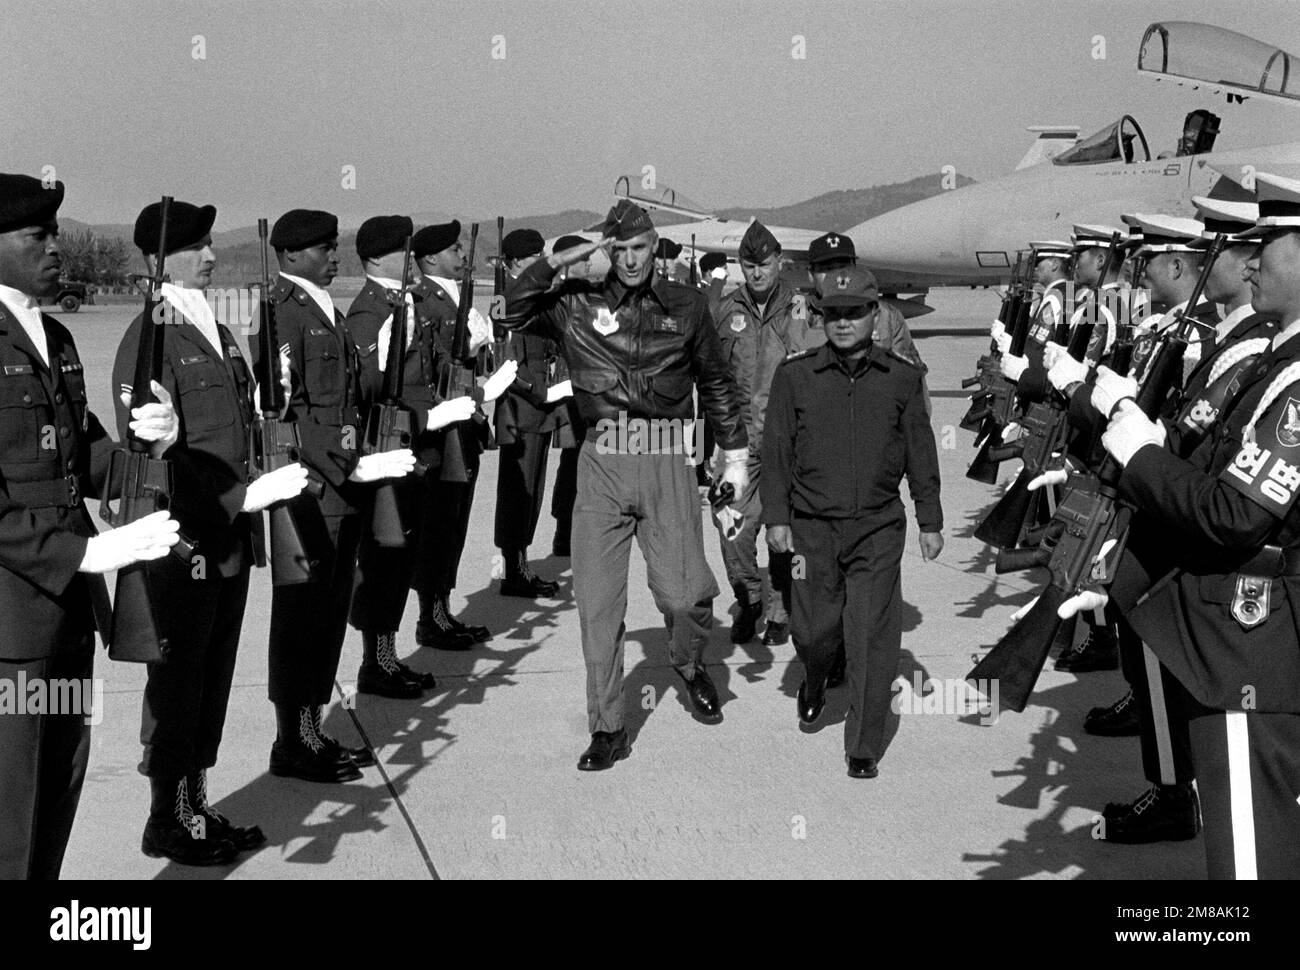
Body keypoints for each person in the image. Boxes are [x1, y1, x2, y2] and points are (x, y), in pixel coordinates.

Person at [1085, 171, 1300, 877]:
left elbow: (1236, 510)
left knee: (1249, 860)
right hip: (1246, 635)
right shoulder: (1279, 358)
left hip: (1253, 644)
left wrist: (1142, 452)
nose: (1253, 258)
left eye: (1269, 241)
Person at [504, 200, 748, 771]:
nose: (632, 260)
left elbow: (713, 381)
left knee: (687, 598)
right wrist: (558, 259)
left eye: (640, 248)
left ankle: (688, 661)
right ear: (605, 253)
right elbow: (512, 311)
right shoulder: (573, 305)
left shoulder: (686, 305)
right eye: (620, 250)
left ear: (654, 247)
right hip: (602, 462)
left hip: (666, 459)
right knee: (598, 606)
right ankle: (608, 727)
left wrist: (733, 456)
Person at [112, 198, 311, 864]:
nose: (208, 254)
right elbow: (147, 460)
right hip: (184, 543)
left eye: (208, 244)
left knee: (212, 677)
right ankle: (166, 816)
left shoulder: (218, 330)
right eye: (194, 245)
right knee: (177, 684)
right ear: (157, 260)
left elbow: (237, 427)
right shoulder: (149, 339)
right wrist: (234, 498)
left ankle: (197, 801)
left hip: (229, 539)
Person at [0, 173, 180, 879]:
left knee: (57, 791)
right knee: (10, 811)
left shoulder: (57, 338)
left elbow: (89, 455)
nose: (55, 248)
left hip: (70, 615)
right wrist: (84, 550)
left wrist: (156, 447)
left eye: (54, 232)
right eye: (35, 236)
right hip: (13, 627)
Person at [762, 266, 943, 778]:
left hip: (878, 530)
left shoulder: (903, 378)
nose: (842, 322)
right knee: (812, 628)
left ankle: (863, 744)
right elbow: (776, 452)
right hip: (809, 532)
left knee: (870, 634)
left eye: (854, 312)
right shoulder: (794, 377)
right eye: (833, 313)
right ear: (821, 317)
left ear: (875, 313)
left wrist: (929, 520)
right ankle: (817, 672)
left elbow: (920, 452)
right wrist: (777, 519)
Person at [262, 209, 424, 761]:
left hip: (343, 487)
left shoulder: (322, 309)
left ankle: (310, 728)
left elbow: (348, 400)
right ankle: (294, 736)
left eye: (334, 246)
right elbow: (289, 413)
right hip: (313, 493)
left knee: (329, 614)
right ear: (288, 254)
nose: (334, 256)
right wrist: (345, 467)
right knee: (302, 618)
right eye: (323, 248)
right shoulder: (282, 312)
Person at [347, 216, 514, 674]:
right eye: (404, 252)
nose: (412, 260)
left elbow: (428, 372)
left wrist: (472, 391)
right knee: (386, 558)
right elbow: (369, 389)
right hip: (395, 450)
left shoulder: (403, 304)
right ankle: (378, 659)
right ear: (378, 258)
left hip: (423, 444)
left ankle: (407, 638)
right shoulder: (370, 311)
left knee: (416, 548)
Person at [712, 221, 819, 647]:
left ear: (779, 263)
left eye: (765, 264)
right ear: (741, 267)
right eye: (749, 265)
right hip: (737, 444)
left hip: (784, 441)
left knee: (784, 535)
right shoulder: (725, 310)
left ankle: (780, 611)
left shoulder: (798, 308)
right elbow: (713, 379)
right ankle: (749, 598)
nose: (757, 273)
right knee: (730, 527)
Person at [409, 221, 499, 649]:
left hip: (466, 428)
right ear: (429, 258)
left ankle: (443, 609)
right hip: (444, 434)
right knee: (439, 526)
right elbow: (433, 365)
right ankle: (431, 616)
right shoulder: (424, 300)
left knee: (456, 524)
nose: (462, 254)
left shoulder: (455, 296)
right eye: (453, 248)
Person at [493, 228, 571, 596]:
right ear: (513, 262)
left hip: (538, 409)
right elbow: (505, 362)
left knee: (533, 491)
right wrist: (543, 391)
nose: (541, 260)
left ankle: (520, 565)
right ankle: (514, 570)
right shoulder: (508, 300)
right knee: (517, 493)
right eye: (533, 256)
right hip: (521, 410)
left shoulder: (534, 295)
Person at [547, 235, 593, 556]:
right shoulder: (554, 297)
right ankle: (564, 528)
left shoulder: (590, 294)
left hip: (591, 385)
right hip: (567, 385)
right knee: (573, 459)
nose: (590, 263)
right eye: (584, 258)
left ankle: (580, 526)